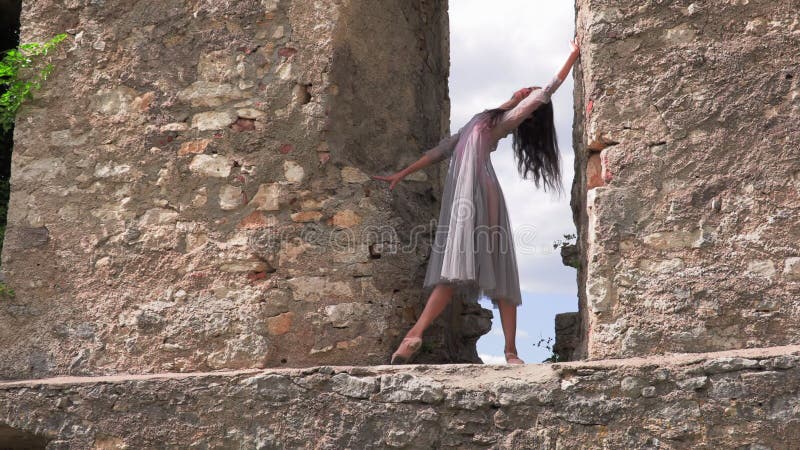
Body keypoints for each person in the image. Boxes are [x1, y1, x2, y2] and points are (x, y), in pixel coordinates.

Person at [372, 39, 581, 365]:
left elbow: (546, 92)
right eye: (523, 90)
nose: (525, 90)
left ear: (523, 112)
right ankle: (415, 334)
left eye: (527, 93)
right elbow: (439, 151)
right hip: (463, 200)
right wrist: (401, 173)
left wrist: (571, 56)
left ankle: (510, 350)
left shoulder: (504, 123)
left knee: (494, 266)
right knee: (452, 271)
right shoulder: (480, 121)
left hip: (482, 194)